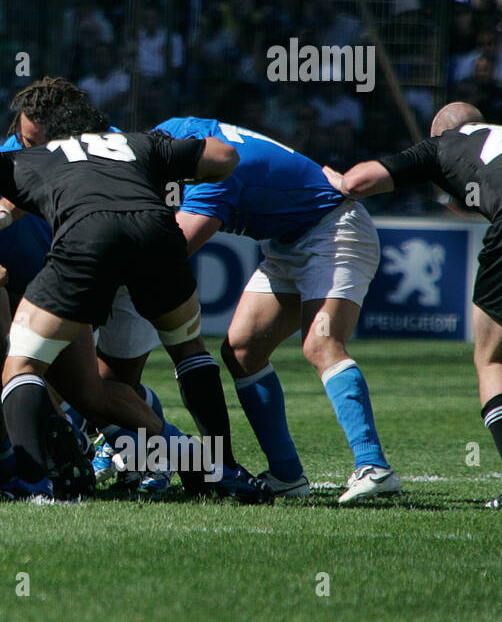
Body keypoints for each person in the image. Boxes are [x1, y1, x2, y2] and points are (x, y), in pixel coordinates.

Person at [0, 77, 273, 503]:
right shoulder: (140, 143)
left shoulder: (33, 158)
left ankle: (30, 480)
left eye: (27, 133)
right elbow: (224, 158)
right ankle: (221, 467)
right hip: (156, 235)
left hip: (86, 243)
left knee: (21, 365)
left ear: (46, 131)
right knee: (188, 353)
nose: (23, 139)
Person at [149, 116, 399, 503]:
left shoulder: (214, 174)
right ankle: (287, 475)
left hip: (333, 228)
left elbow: (169, 254)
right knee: (242, 350)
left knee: (321, 343)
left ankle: (374, 466)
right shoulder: (184, 130)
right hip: (290, 238)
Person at [325, 102, 502, 509]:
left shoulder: (440, 146)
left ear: (440, 131)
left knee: (493, 359)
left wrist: (334, 177)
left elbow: (359, 183)